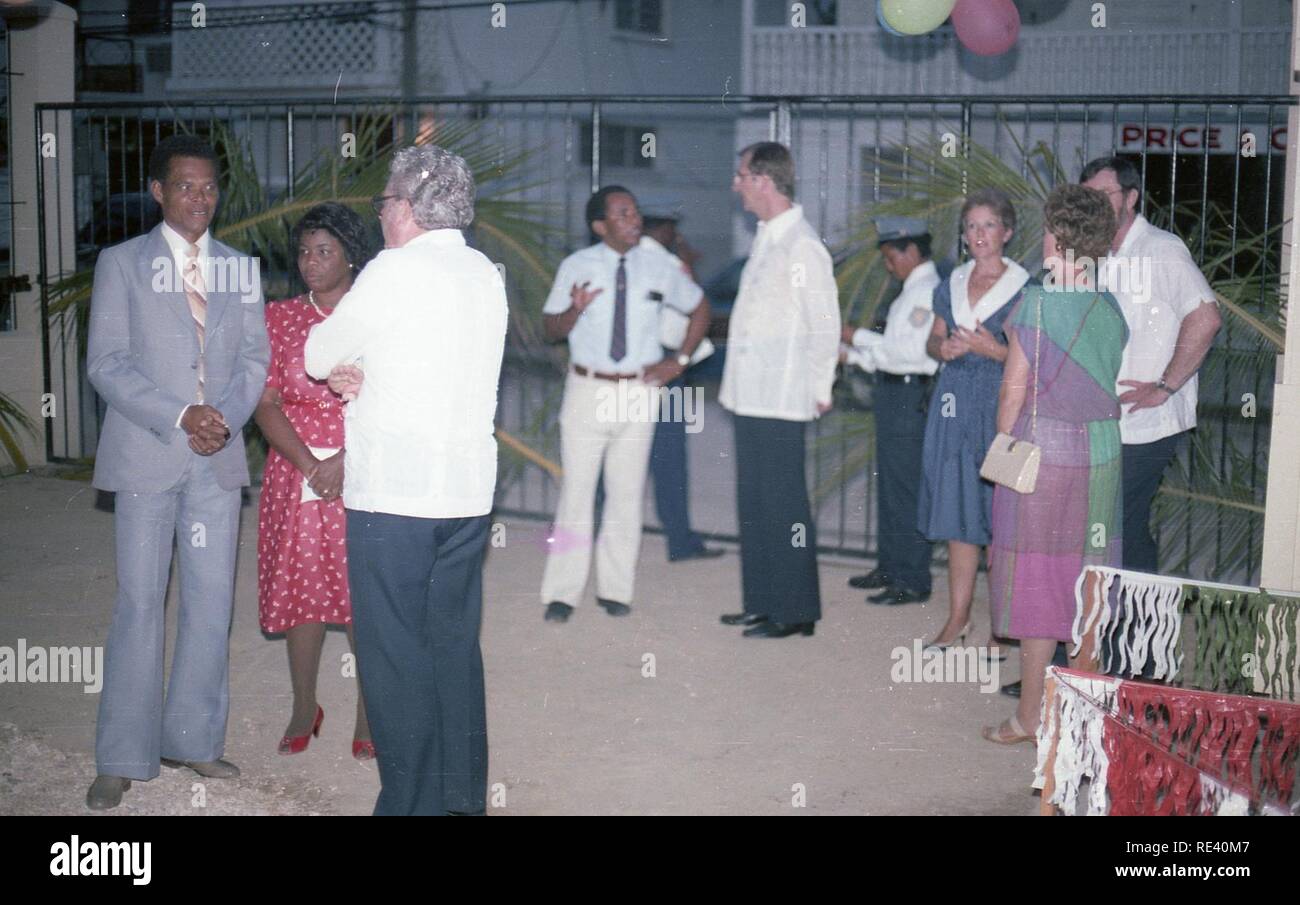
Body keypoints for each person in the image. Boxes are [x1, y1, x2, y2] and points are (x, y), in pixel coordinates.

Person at [303, 145, 507, 816]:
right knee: (453, 646)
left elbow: (317, 351)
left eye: (386, 201)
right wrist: (361, 364)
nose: (382, 212)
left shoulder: (393, 270)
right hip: (466, 495)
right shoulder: (483, 272)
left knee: (393, 658)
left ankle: (409, 804)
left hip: (395, 497)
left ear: (413, 209)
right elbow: (424, 354)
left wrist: (348, 363)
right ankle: (459, 800)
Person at [85, 134, 270, 809]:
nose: (200, 198)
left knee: (210, 601)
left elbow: (254, 359)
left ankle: (191, 738)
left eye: (209, 186)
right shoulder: (122, 264)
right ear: (159, 191)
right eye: (186, 186)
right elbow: (105, 363)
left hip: (215, 460)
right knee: (138, 602)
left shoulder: (238, 268)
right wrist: (180, 414)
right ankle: (121, 754)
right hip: (147, 453)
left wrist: (222, 417)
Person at [984, 185, 1128, 743]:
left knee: (1035, 578)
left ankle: (1029, 717)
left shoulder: (1038, 303)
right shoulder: (1110, 305)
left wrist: (1004, 445)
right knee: (1086, 579)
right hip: (1103, 453)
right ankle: (1083, 719)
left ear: (1057, 237)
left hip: (1044, 456)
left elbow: (1012, 391)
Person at [538, 186, 711, 623]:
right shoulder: (576, 267)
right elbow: (550, 328)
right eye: (624, 213)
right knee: (577, 492)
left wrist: (681, 361)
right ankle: (562, 592)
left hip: (638, 391)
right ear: (600, 225)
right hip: (588, 389)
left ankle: (616, 589)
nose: (635, 220)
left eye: (635, 212)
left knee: (626, 492)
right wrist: (574, 311)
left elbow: (700, 308)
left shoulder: (660, 265)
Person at [254, 203, 377, 759]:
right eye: (303, 251)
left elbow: (398, 400)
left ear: (352, 256)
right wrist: (310, 464)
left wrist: (347, 459)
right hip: (296, 468)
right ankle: (306, 704)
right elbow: (266, 402)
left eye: (324, 251)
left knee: (362, 594)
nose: (310, 262)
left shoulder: (377, 315)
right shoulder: (278, 317)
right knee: (302, 591)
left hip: (369, 463)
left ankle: (371, 712)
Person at [718, 141, 840, 639]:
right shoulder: (768, 237)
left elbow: (825, 323)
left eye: (740, 175)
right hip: (750, 394)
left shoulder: (803, 246)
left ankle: (794, 611)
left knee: (784, 505)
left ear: (763, 181)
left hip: (783, 396)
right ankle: (762, 601)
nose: (735, 185)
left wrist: (820, 384)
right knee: (755, 502)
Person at [1080, 156, 1222, 574]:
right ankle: (1115, 627)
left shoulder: (1160, 249)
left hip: (1146, 422)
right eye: (1087, 197)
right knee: (1113, 525)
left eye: (1104, 195)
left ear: (1131, 197)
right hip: (1107, 420)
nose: (1095, 205)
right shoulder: (1097, 255)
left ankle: (1132, 632)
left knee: (1121, 522)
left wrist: (1165, 385)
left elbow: (1206, 317)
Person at [915, 189, 1030, 648]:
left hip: (1002, 403)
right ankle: (957, 617)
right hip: (953, 402)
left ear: (1007, 231)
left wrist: (993, 350)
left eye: (988, 225)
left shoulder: (1025, 286)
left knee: (1000, 517)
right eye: (971, 227)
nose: (979, 235)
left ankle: (1004, 626)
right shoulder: (951, 284)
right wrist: (940, 348)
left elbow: (1032, 358)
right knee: (957, 514)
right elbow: (933, 339)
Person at [842, 217, 940, 605]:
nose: (888, 265)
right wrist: (853, 353)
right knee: (891, 485)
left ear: (911, 251)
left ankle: (911, 577)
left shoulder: (925, 293)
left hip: (909, 396)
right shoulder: (910, 291)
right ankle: (889, 565)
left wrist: (856, 337)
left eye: (890, 257)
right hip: (894, 392)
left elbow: (908, 354)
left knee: (906, 490)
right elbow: (889, 354)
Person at [640, 201, 723, 563]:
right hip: (667, 367)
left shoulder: (628, 259)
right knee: (669, 457)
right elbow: (698, 308)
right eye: (674, 230)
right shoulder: (671, 264)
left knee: (617, 450)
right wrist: (690, 265)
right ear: (664, 230)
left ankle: (591, 533)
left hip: (631, 366)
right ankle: (680, 540)